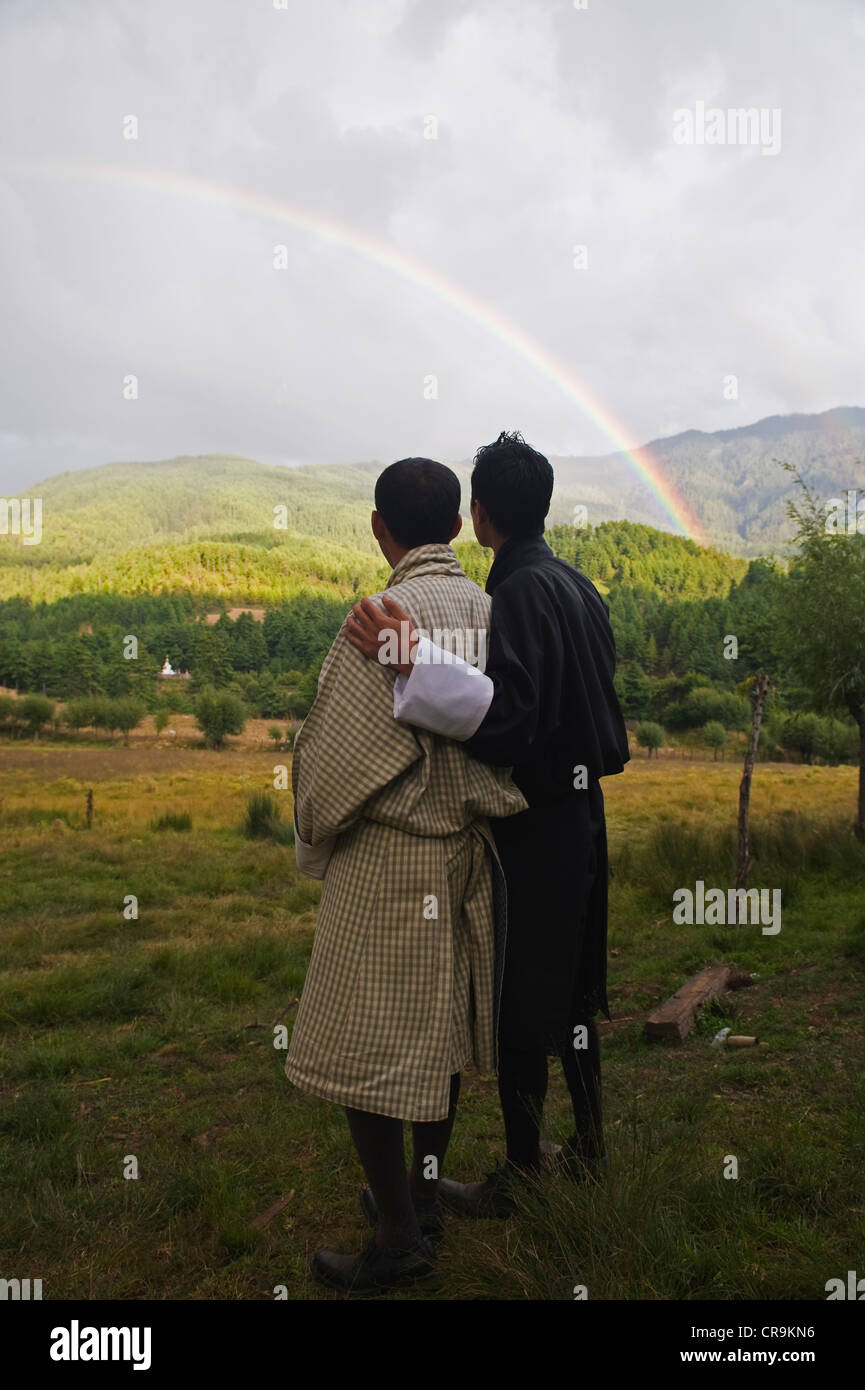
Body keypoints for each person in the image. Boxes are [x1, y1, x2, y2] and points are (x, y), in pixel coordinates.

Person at [346, 431, 629, 1217]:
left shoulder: (522, 593)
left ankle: (524, 1171)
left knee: (521, 1003)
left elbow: (510, 718)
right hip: (584, 814)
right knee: (571, 994)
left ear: (479, 515)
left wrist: (408, 654)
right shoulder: (574, 584)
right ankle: (589, 1148)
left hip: (535, 824)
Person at [286, 456, 526, 1291]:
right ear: (458, 526)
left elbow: (333, 758)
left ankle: (397, 1237)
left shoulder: (380, 616)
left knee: (366, 1047)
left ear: (378, 530)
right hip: (467, 855)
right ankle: (420, 1198)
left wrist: (314, 822)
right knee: (439, 1039)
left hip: (391, 860)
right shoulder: (495, 608)